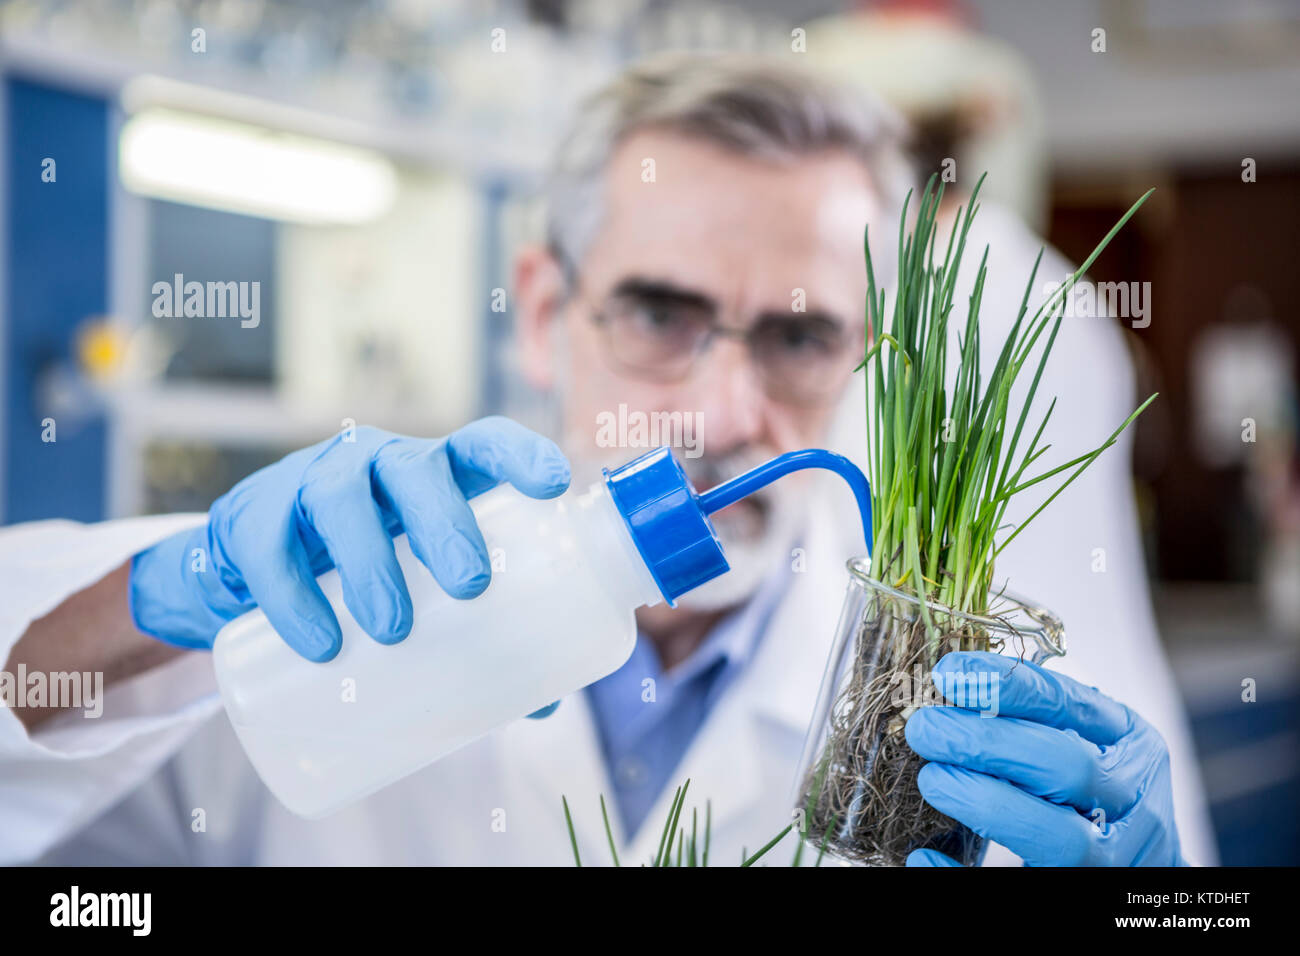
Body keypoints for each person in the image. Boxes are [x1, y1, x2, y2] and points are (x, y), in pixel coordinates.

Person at [0, 52, 1214, 866]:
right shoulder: (338, 618)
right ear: (540, 309)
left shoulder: (954, 704)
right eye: (658, 313)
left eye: (800, 334)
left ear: (871, 357)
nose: (723, 411)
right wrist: (145, 604)